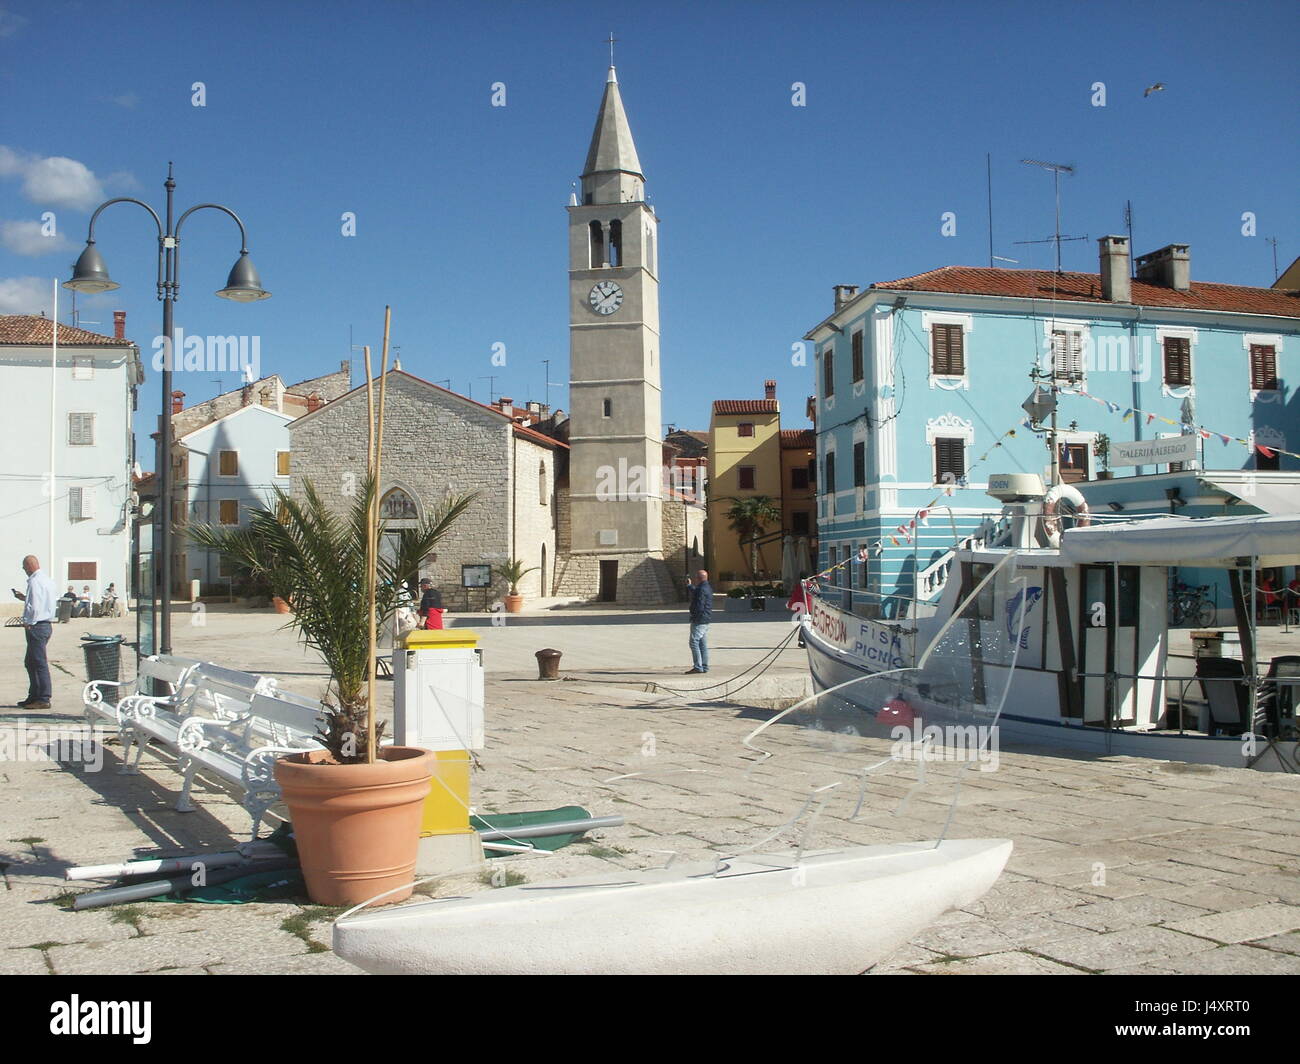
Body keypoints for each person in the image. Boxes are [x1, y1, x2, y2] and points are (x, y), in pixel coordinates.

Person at [12, 555, 57, 708]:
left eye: (24, 567)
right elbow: (40, 601)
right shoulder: (47, 580)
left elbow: (36, 606)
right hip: (45, 624)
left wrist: (28, 622)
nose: (24, 570)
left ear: (30, 566)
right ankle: (34, 695)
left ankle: (43, 698)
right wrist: (23, 598)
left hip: (37, 625)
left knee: (38, 662)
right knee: (31, 662)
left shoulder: (34, 581)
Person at [686, 568, 713, 674]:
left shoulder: (701, 589)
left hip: (699, 619)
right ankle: (704, 666)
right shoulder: (706, 587)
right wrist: (689, 586)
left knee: (694, 642)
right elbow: (697, 592)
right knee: (702, 643)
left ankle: (698, 666)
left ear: (698, 578)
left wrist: (693, 614)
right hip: (706, 618)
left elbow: (699, 604)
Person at [786, 580, 809, 648]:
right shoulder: (809, 585)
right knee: (805, 625)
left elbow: (794, 597)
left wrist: (790, 605)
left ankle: (802, 641)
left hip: (802, 608)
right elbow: (817, 592)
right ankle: (802, 641)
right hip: (808, 607)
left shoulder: (798, 586)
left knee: (804, 624)